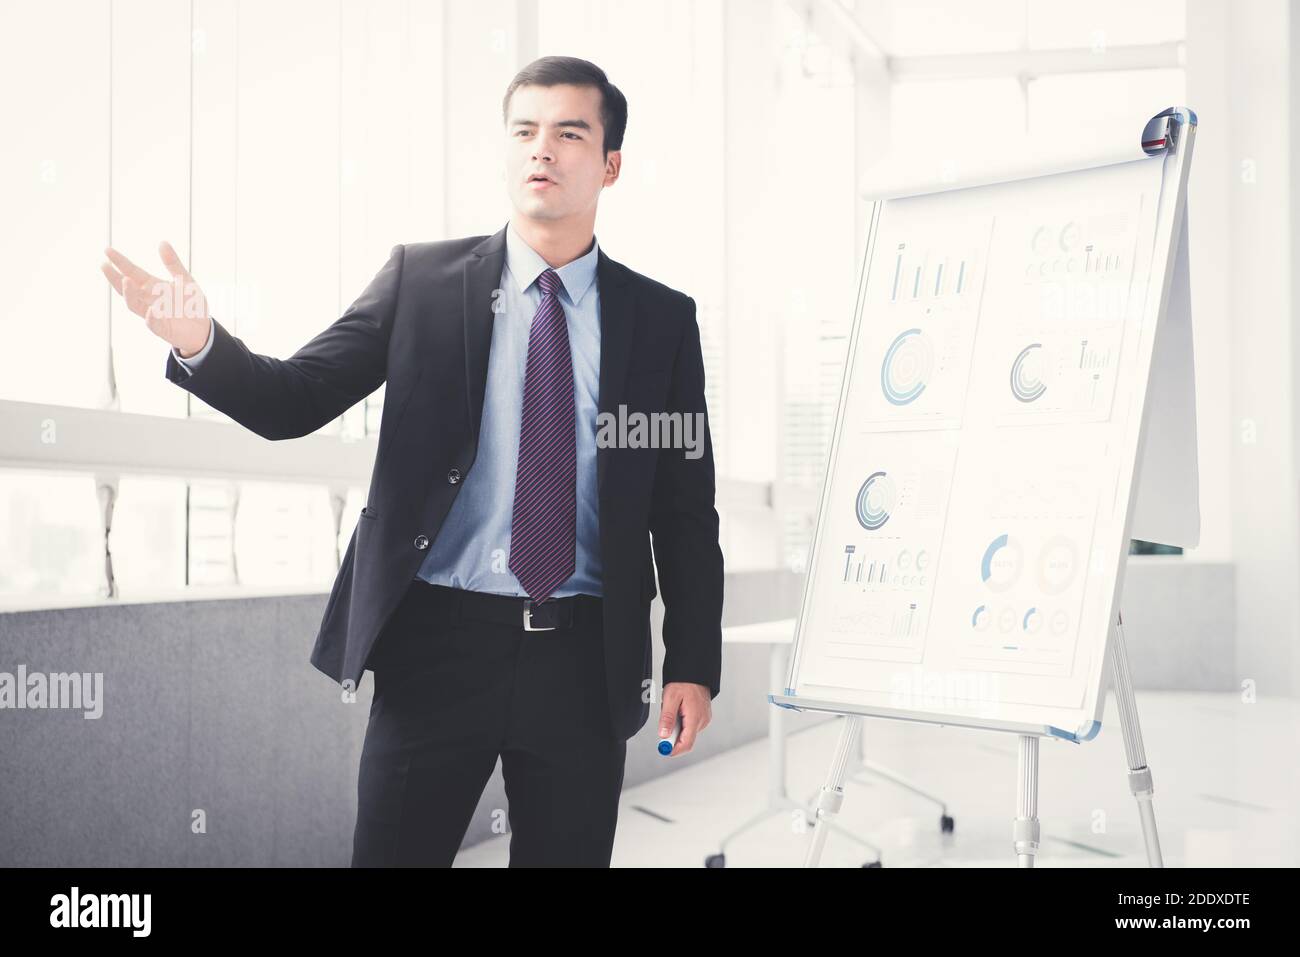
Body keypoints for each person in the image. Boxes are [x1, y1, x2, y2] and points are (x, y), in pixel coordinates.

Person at [99, 55, 724, 867]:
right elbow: (294, 399)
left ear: (610, 163)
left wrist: (693, 664)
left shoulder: (660, 321)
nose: (543, 150)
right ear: (505, 152)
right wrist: (200, 344)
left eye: (570, 132)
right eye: (525, 131)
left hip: (582, 659)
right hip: (436, 647)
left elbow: (682, 506)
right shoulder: (424, 284)